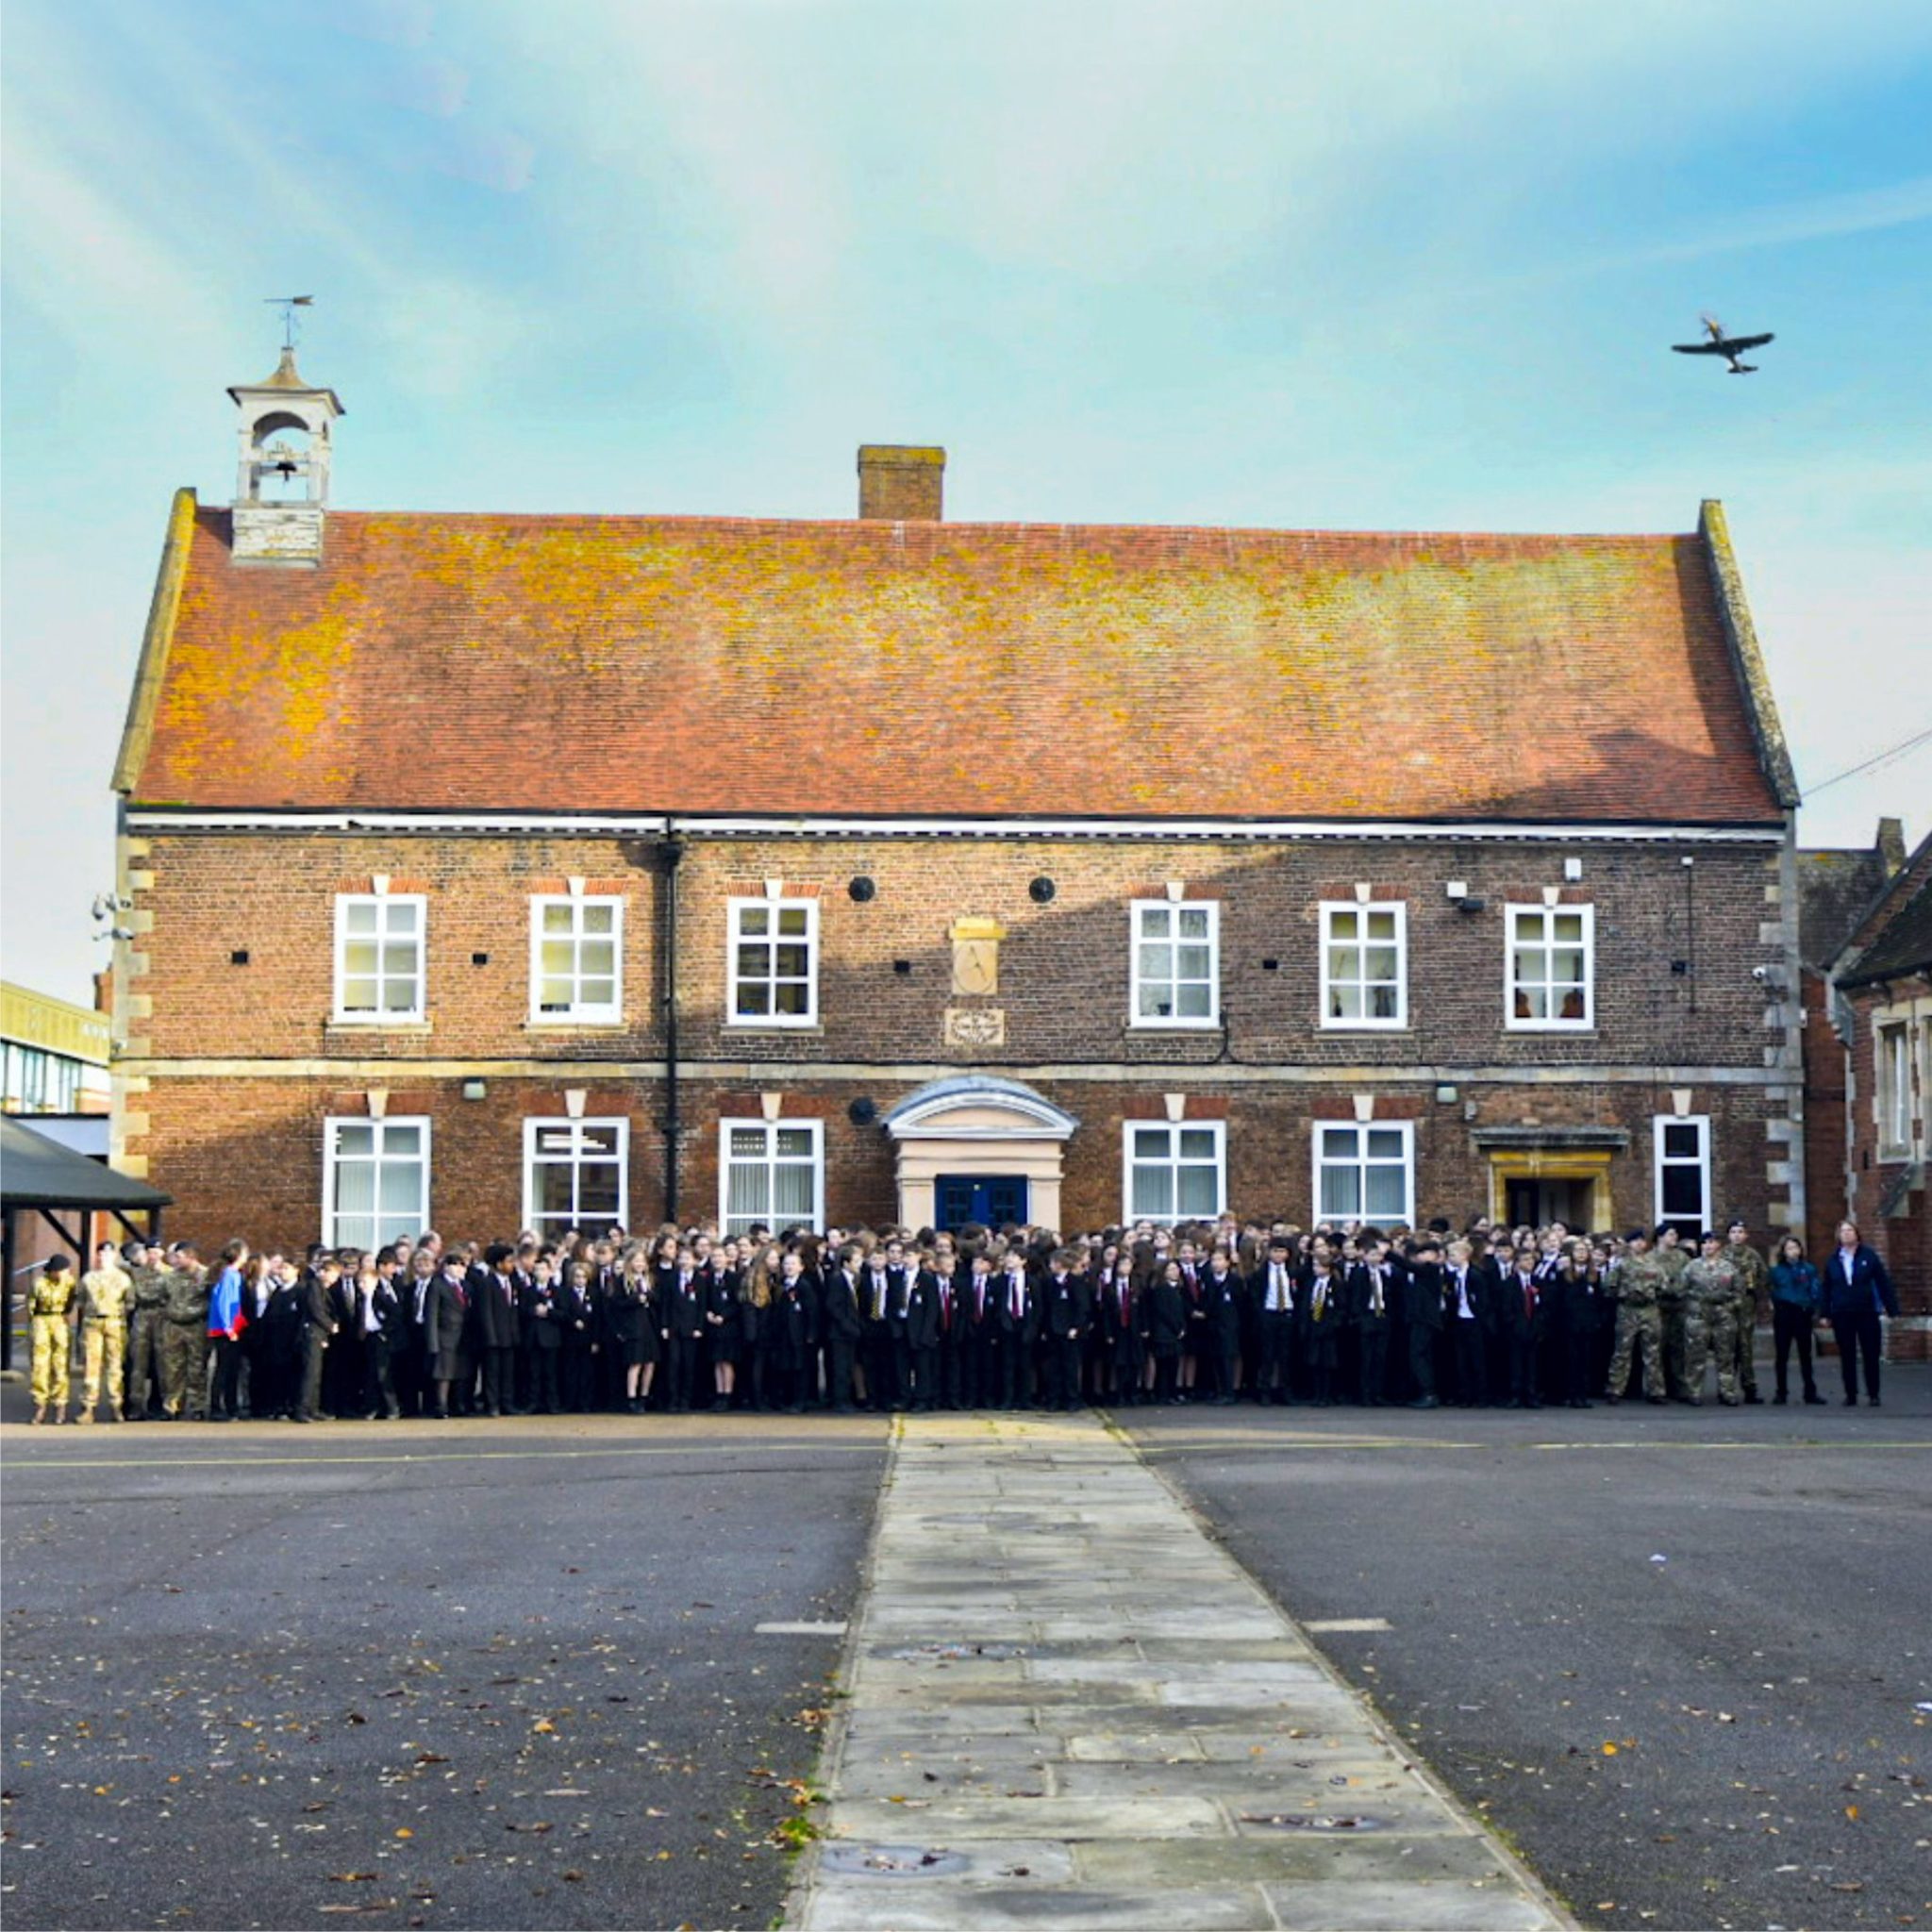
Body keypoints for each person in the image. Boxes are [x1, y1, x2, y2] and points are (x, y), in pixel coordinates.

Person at [1822, 1220, 1898, 1407]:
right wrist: (1825, 1314)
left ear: (1857, 1234)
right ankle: (1850, 1394)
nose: (1847, 1234)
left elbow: (1883, 1282)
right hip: (1842, 1312)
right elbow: (1826, 1288)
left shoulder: (1869, 1256)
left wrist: (1891, 1307)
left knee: (1870, 1353)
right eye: (1843, 1231)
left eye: (1850, 1230)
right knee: (1847, 1355)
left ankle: (1873, 1393)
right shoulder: (1833, 1260)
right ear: (1838, 1236)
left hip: (1866, 1311)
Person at [75, 1241, 134, 1424]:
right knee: (91, 1367)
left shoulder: (123, 1278)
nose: (103, 1257)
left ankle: (116, 1406)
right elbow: (81, 1301)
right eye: (100, 1254)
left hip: (115, 1323)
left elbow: (130, 1301)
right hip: (92, 1324)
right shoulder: (88, 1278)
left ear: (114, 1256)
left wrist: (119, 1313)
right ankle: (88, 1407)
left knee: (115, 1366)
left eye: (107, 1254)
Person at [1605, 1230, 1666, 1405]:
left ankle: (1656, 1390)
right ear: (1629, 1244)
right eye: (1635, 1241)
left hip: (1649, 1310)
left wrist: (1652, 1294)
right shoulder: (1622, 1265)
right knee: (1622, 1352)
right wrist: (1624, 1294)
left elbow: (1663, 1285)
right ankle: (1615, 1389)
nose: (1639, 1244)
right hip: (1628, 1310)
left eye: (1641, 1241)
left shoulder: (1653, 1264)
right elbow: (1609, 1285)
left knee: (1653, 1352)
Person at [1681, 1232, 1741, 1407]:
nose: (1708, 1246)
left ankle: (1727, 1392)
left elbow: (1739, 1292)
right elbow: (1681, 1289)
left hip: (1723, 1316)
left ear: (1719, 1246)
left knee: (1725, 1357)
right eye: (1705, 1243)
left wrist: (1730, 1307)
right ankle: (1694, 1392)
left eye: (1712, 1242)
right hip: (1699, 1315)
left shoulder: (1729, 1268)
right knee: (1695, 1357)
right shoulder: (1691, 1267)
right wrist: (1692, 1307)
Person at [1768, 1234, 1825, 1406]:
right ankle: (1781, 1392)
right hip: (1784, 1313)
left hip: (1802, 1313)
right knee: (1782, 1355)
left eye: (1795, 1248)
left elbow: (1815, 1290)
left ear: (1801, 1250)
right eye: (1789, 1248)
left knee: (1805, 1355)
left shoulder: (1808, 1269)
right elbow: (1771, 1291)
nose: (1793, 1252)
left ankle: (1810, 1392)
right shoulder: (1776, 1271)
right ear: (1783, 1252)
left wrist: (1814, 1307)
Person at [159, 1244, 210, 1421]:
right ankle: (172, 1406)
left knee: (197, 1367)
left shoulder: (206, 1275)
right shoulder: (169, 1277)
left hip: (196, 1325)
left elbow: (211, 1299)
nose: (176, 1260)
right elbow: (163, 1297)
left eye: (180, 1256)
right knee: (173, 1368)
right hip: (174, 1326)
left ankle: (198, 1406)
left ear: (191, 1257)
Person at [27, 1255, 77, 1424]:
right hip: (41, 1320)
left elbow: (71, 1301)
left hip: (60, 1320)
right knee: (40, 1364)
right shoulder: (39, 1283)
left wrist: (64, 1314)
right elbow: (31, 1305)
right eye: (62, 1271)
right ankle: (40, 1404)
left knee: (61, 1363)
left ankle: (60, 1404)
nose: (65, 1273)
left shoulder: (70, 1282)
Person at [124, 1241, 171, 1420]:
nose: (153, 1256)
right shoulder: (135, 1273)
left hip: (162, 1318)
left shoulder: (169, 1274)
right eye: (150, 1252)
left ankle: (160, 1404)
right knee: (138, 1364)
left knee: (162, 1363)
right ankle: (136, 1405)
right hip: (142, 1317)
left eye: (157, 1252)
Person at [1724, 1220, 1769, 1404]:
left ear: (1746, 1235)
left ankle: (1749, 1388)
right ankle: (1727, 1389)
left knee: (1745, 1349)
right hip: (1727, 1306)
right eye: (1733, 1231)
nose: (1737, 1235)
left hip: (1747, 1305)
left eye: (1741, 1231)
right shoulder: (1723, 1255)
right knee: (1727, 1348)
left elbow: (1764, 1277)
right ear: (1728, 1235)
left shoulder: (1753, 1255)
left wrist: (1756, 1291)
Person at [205, 1240, 248, 1422]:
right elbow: (224, 1302)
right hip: (227, 1329)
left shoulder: (228, 1274)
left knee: (231, 1369)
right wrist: (229, 1327)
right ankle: (217, 1407)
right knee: (224, 1369)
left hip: (228, 1327)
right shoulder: (229, 1275)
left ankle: (231, 1406)